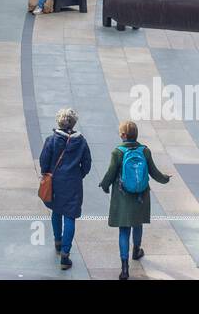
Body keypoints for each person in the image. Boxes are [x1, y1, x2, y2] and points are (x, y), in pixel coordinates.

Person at [98, 119, 172, 280]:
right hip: (141, 196)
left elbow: (110, 173)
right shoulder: (145, 151)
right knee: (137, 223)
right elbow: (154, 172)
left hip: (123, 196)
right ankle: (136, 250)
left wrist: (104, 185)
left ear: (123, 135)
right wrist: (165, 178)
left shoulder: (117, 152)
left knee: (124, 230)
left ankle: (125, 268)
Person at [39, 108, 92, 271]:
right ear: (74, 123)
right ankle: (65, 255)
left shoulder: (51, 140)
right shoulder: (81, 141)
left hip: (55, 182)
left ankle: (58, 241)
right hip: (73, 184)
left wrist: (47, 174)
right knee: (70, 216)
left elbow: (44, 162)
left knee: (56, 210)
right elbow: (87, 164)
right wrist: (78, 175)